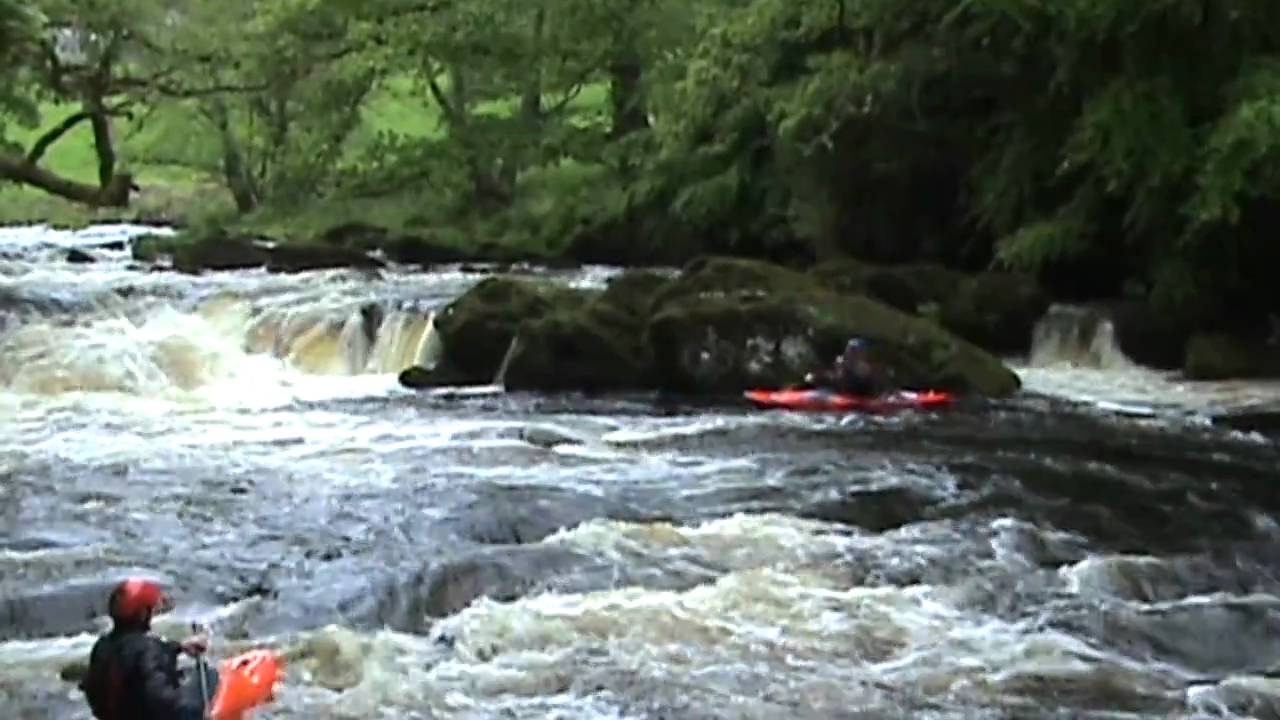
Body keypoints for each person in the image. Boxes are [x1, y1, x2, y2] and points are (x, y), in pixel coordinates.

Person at [80, 577, 218, 720]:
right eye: (150, 609)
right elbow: (163, 700)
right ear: (142, 615)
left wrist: (180, 647)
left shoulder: (103, 645)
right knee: (210, 677)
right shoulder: (148, 649)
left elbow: (132, 658)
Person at [803, 337, 894, 396]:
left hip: (861, 395)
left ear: (862, 354)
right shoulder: (841, 362)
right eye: (849, 350)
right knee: (813, 378)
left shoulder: (865, 367)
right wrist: (815, 377)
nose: (850, 353)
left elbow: (876, 381)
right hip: (842, 392)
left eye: (854, 351)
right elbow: (835, 378)